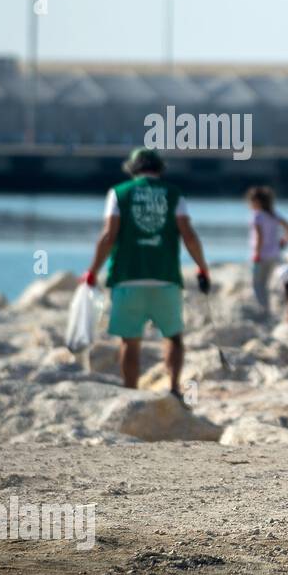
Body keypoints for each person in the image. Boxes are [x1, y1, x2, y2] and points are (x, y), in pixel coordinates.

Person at [83, 148, 211, 400]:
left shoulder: (118, 193)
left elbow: (109, 236)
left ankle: (131, 393)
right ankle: (174, 389)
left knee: (130, 341)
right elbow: (189, 235)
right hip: (165, 276)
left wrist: (92, 271)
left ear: (132, 168)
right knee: (173, 336)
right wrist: (202, 267)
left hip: (127, 276)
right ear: (159, 167)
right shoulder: (174, 194)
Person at [246, 186, 288, 319]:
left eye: (251, 201)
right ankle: (267, 310)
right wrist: (284, 241)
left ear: (257, 202)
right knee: (265, 283)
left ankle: (264, 310)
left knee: (257, 284)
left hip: (262, 254)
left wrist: (256, 253)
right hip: (275, 254)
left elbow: (259, 237)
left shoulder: (257, 216)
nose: (249, 204)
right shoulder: (274, 214)